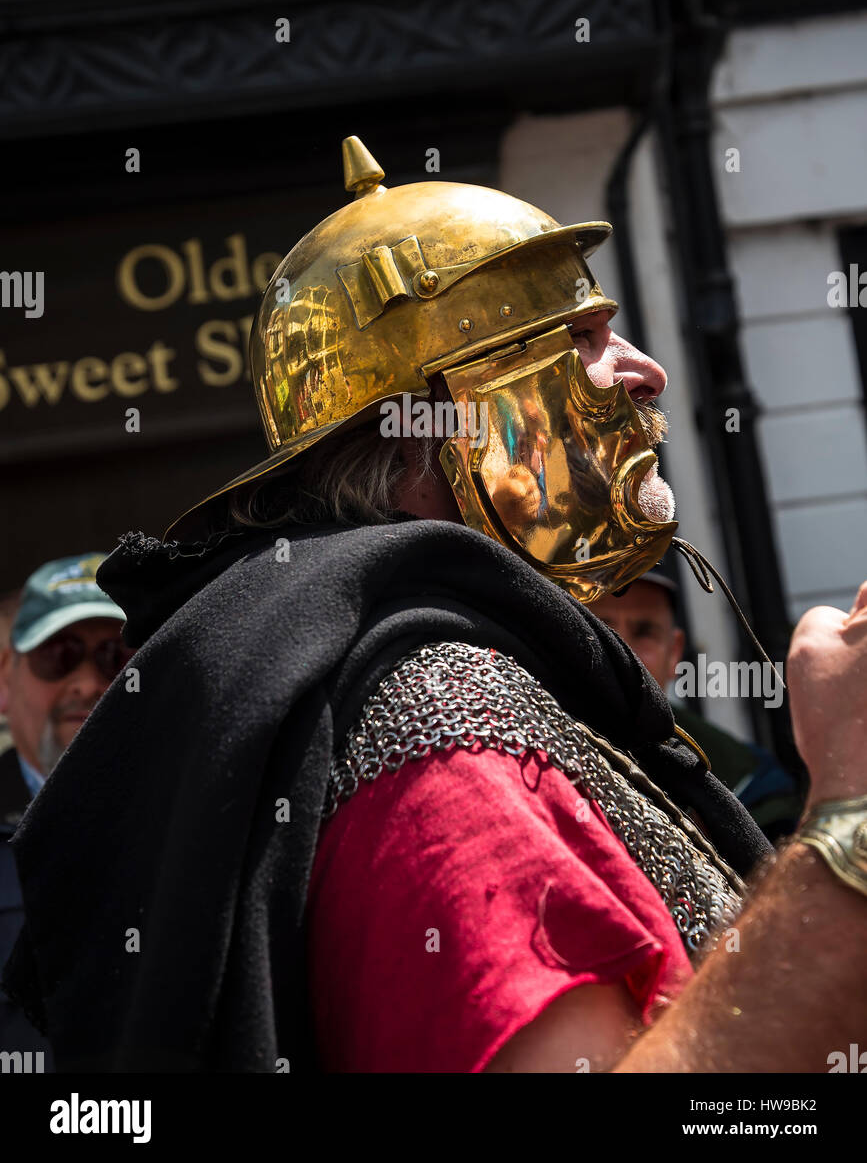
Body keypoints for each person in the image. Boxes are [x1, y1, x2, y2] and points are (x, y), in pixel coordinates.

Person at [4, 138, 866, 1074]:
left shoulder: (479, 680)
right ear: (442, 425)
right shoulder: (438, 724)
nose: (642, 370)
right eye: (579, 339)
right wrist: (852, 804)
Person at [0, 554, 131, 1060]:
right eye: (59, 654)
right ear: (5, 679)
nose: (86, 684)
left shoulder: (205, 821)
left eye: (115, 658)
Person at [587, 569, 802, 842]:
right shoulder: (531, 732)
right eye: (601, 627)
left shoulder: (747, 777)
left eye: (644, 632)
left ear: (674, 651)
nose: (623, 647)